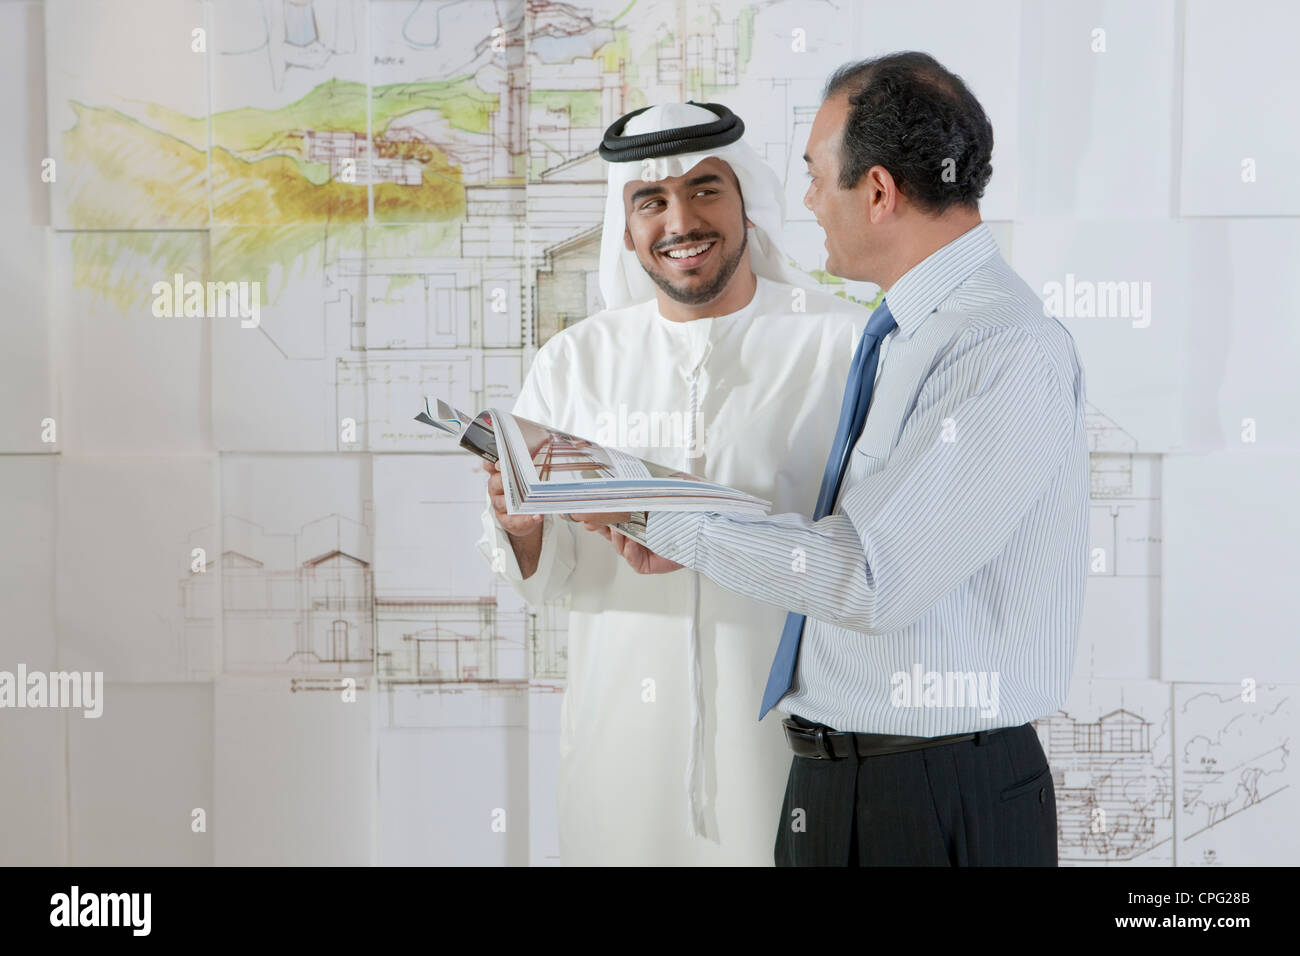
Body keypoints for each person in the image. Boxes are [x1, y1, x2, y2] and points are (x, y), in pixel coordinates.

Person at [592, 53, 1090, 866]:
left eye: (817, 178)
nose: (809, 203)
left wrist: (657, 510)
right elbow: (859, 534)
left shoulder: (999, 348)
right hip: (842, 781)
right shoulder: (910, 332)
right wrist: (677, 513)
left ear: (881, 191)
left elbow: (870, 575)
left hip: (930, 795)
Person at [474, 102, 869, 865]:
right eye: (651, 201)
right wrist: (519, 528)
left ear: (746, 199)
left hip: (794, 757)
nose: (680, 219)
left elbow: (873, 555)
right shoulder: (575, 361)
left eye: (705, 189)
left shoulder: (843, 345)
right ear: (626, 228)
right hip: (622, 761)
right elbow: (545, 577)